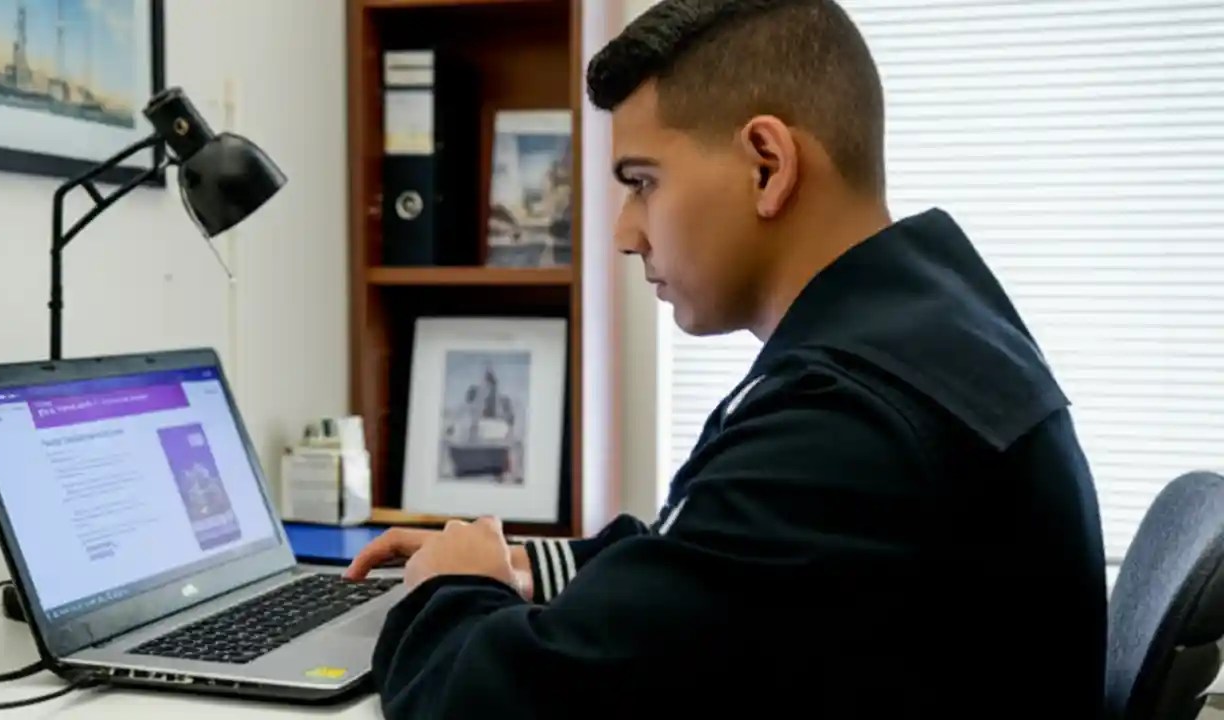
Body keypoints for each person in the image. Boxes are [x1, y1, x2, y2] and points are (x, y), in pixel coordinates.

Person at [345, 1, 1108, 717]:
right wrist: (518, 567)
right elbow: (714, 559)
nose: (624, 232)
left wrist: (448, 590)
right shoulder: (925, 333)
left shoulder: (846, 423)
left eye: (643, 182)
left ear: (768, 165)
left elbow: (502, 703)